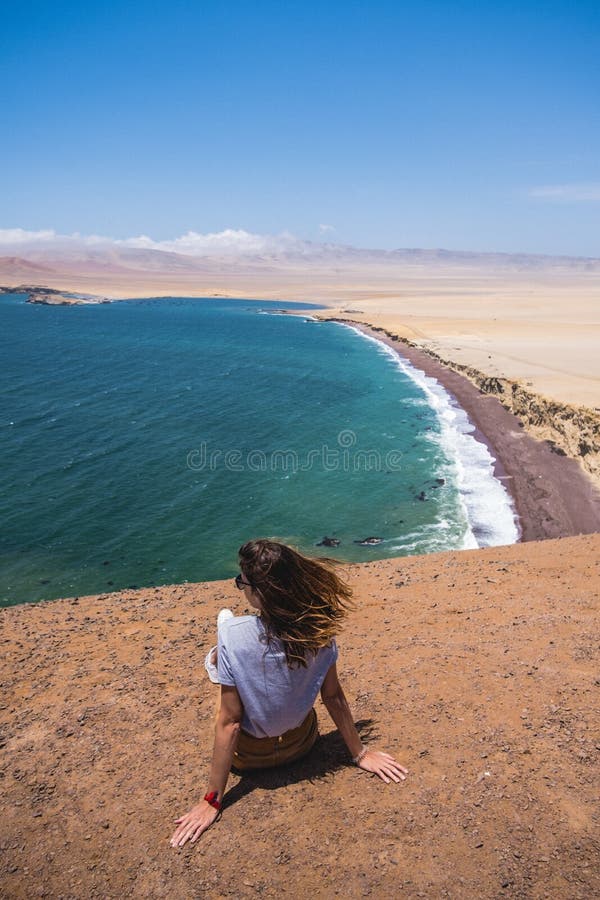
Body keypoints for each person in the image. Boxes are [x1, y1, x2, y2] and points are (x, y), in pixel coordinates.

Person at [170, 539, 408, 848]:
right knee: (242, 656)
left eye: (242, 582)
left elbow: (230, 723)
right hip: (301, 744)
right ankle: (222, 658)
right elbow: (333, 698)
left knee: (224, 652)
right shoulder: (321, 632)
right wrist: (360, 754)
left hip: (250, 758)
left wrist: (212, 800)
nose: (241, 586)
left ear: (258, 592)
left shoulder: (233, 637)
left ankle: (217, 658)